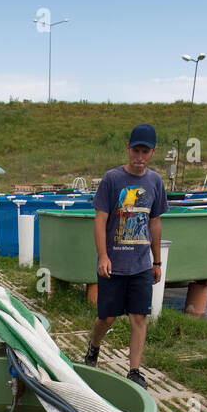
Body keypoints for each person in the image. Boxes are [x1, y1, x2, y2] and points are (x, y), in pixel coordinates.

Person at [84, 124, 168, 388]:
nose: (139, 157)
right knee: (106, 318)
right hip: (114, 264)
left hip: (141, 264)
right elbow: (100, 220)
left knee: (139, 317)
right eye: (135, 150)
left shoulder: (155, 182)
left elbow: (155, 222)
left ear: (153, 152)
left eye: (145, 151)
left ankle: (134, 371)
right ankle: (94, 346)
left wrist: (156, 261)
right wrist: (103, 256)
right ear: (128, 149)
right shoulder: (112, 179)